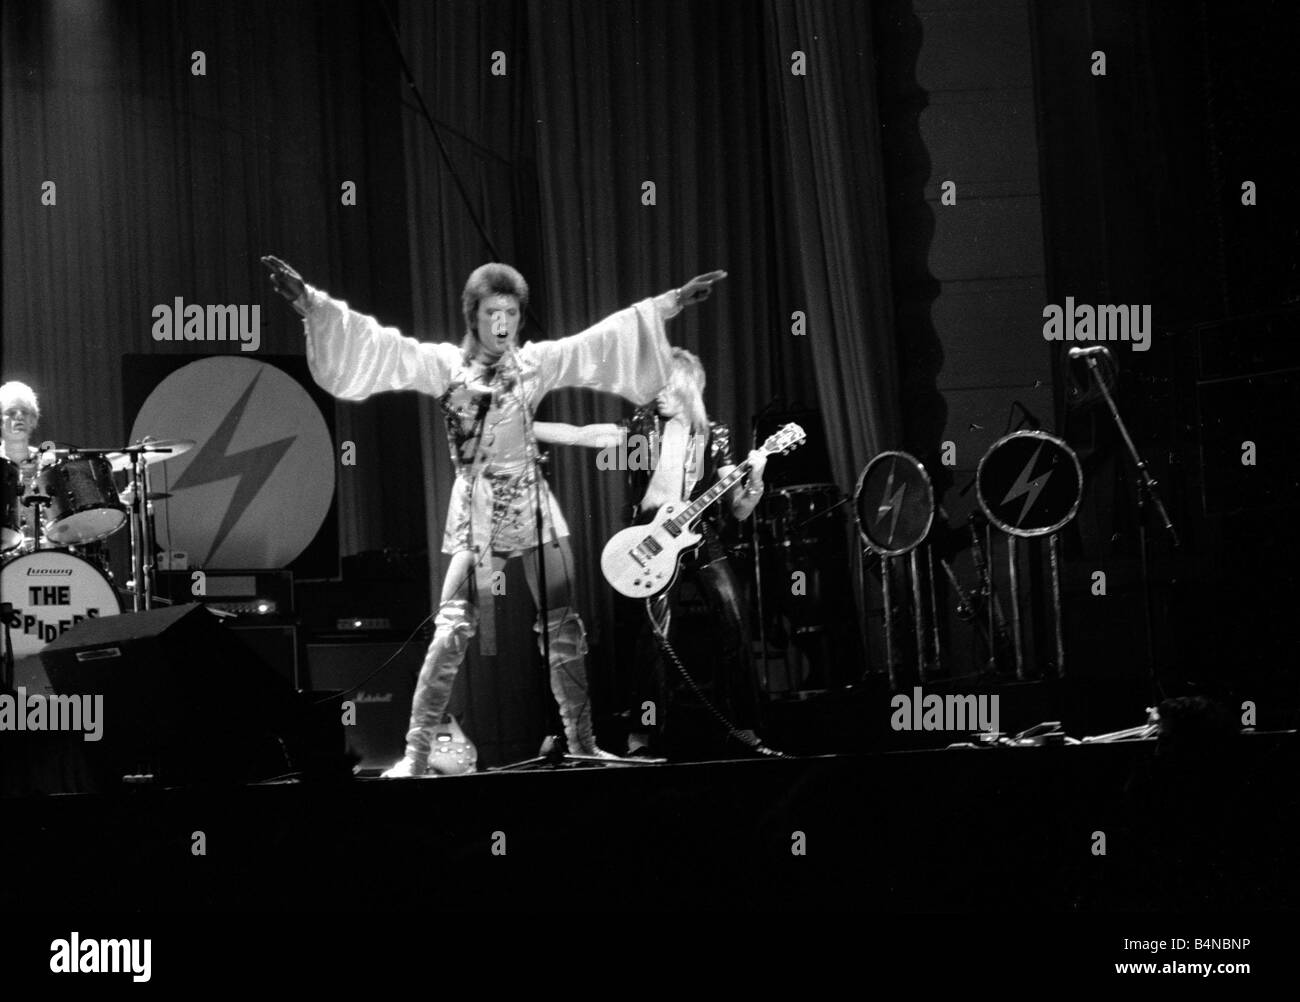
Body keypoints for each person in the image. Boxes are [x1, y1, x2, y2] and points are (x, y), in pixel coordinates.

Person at [263, 255, 725, 776]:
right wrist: (312, 304)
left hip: (532, 500)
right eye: (490, 314)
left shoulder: (536, 363)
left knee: (563, 626)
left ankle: (583, 744)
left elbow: (599, 340)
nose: (501, 324)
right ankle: (415, 756)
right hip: (479, 507)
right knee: (453, 627)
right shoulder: (444, 366)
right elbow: (379, 345)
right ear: (473, 317)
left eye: (510, 313)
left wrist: (672, 302)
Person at [534, 347, 775, 758]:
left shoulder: (713, 436)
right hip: (651, 538)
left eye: (666, 385)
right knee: (655, 636)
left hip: (699, 536)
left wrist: (756, 479)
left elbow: (738, 507)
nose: (657, 393)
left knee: (734, 622)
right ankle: (641, 736)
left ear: (685, 387)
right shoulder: (645, 427)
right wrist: (528, 427)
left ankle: (745, 727)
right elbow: (583, 434)